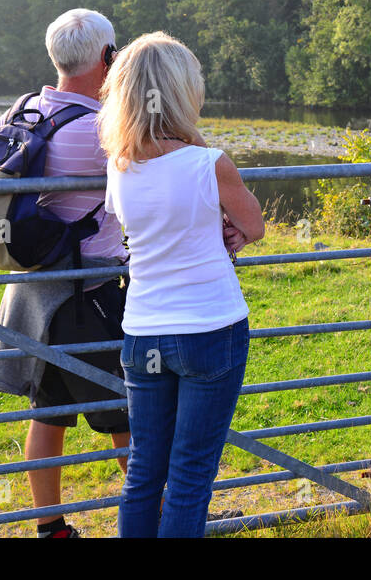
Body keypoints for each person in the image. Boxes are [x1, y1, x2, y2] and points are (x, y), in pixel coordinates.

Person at [0, 8, 130, 538]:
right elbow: (157, 173)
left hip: (33, 292)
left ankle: (51, 528)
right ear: (108, 57)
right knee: (128, 414)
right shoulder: (97, 129)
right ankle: (160, 517)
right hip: (88, 293)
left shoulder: (26, 107)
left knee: (49, 414)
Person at [101, 31, 265, 538]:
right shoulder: (208, 162)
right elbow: (254, 226)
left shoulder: (119, 165)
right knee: (191, 474)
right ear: (181, 92)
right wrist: (227, 224)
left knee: (145, 472)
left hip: (144, 330)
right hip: (210, 327)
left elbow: (144, 220)